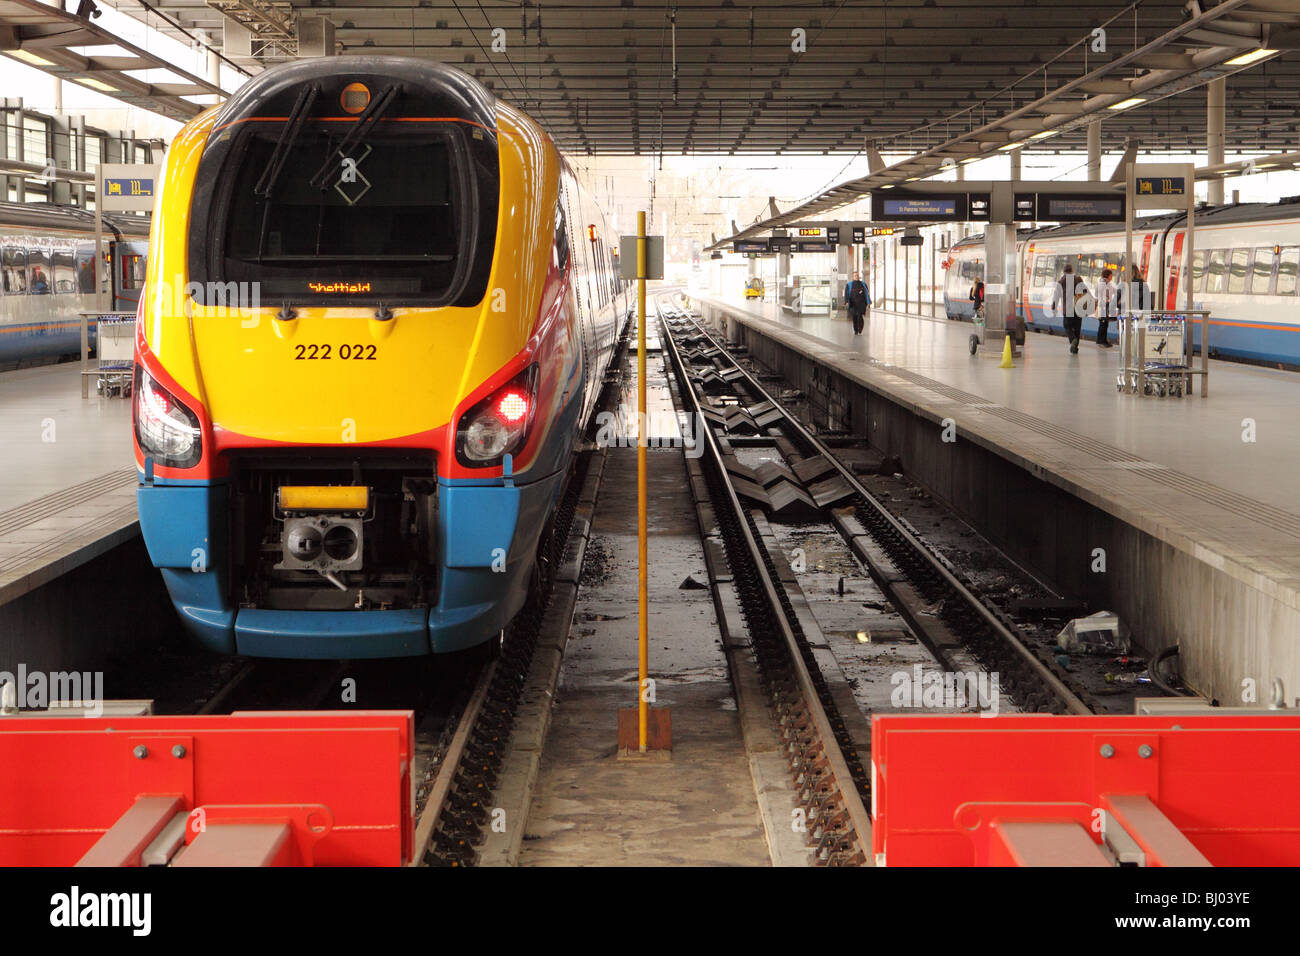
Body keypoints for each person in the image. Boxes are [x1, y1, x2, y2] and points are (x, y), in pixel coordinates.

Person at [1050, 263, 1092, 354]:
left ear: (1064, 271)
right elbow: (1086, 292)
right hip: (1078, 308)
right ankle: (1075, 348)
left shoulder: (1061, 282)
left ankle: (1072, 340)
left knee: (1067, 326)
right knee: (1077, 329)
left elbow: (1056, 296)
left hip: (1067, 309)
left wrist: (1054, 308)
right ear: (1072, 270)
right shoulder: (1078, 279)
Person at [1094, 268, 1118, 348]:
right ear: (1108, 275)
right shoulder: (1101, 284)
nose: (1112, 276)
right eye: (1111, 275)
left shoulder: (1110, 284)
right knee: (1103, 324)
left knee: (1105, 324)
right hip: (1103, 306)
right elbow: (1097, 294)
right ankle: (1100, 341)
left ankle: (1103, 340)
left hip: (1107, 306)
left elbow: (1116, 291)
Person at [843, 271, 871, 335]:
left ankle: (860, 329)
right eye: (855, 275)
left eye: (857, 275)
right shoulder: (849, 285)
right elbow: (846, 294)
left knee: (860, 317)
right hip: (853, 304)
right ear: (853, 277)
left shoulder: (863, 284)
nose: (856, 276)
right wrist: (846, 302)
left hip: (861, 304)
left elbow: (867, 294)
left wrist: (868, 302)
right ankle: (855, 330)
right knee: (854, 317)